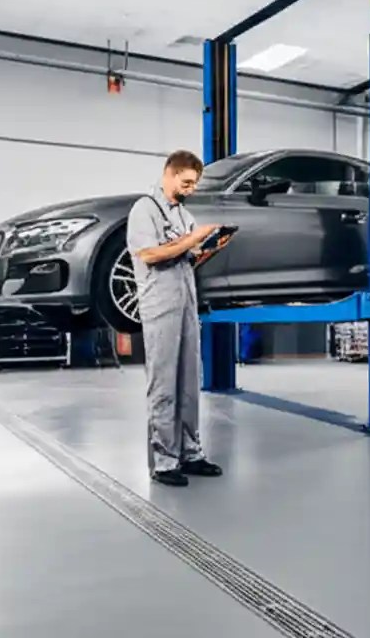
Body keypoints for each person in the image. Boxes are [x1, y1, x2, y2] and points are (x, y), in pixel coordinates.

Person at [126, 149, 228, 487]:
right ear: (169, 174)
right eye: (186, 182)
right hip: (159, 304)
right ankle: (164, 461)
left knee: (188, 383)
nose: (190, 189)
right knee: (164, 384)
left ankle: (190, 452)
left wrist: (207, 247)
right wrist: (192, 239)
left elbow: (186, 256)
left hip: (186, 302)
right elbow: (150, 254)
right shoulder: (145, 210)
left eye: (194, 184)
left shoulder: (184, 215)